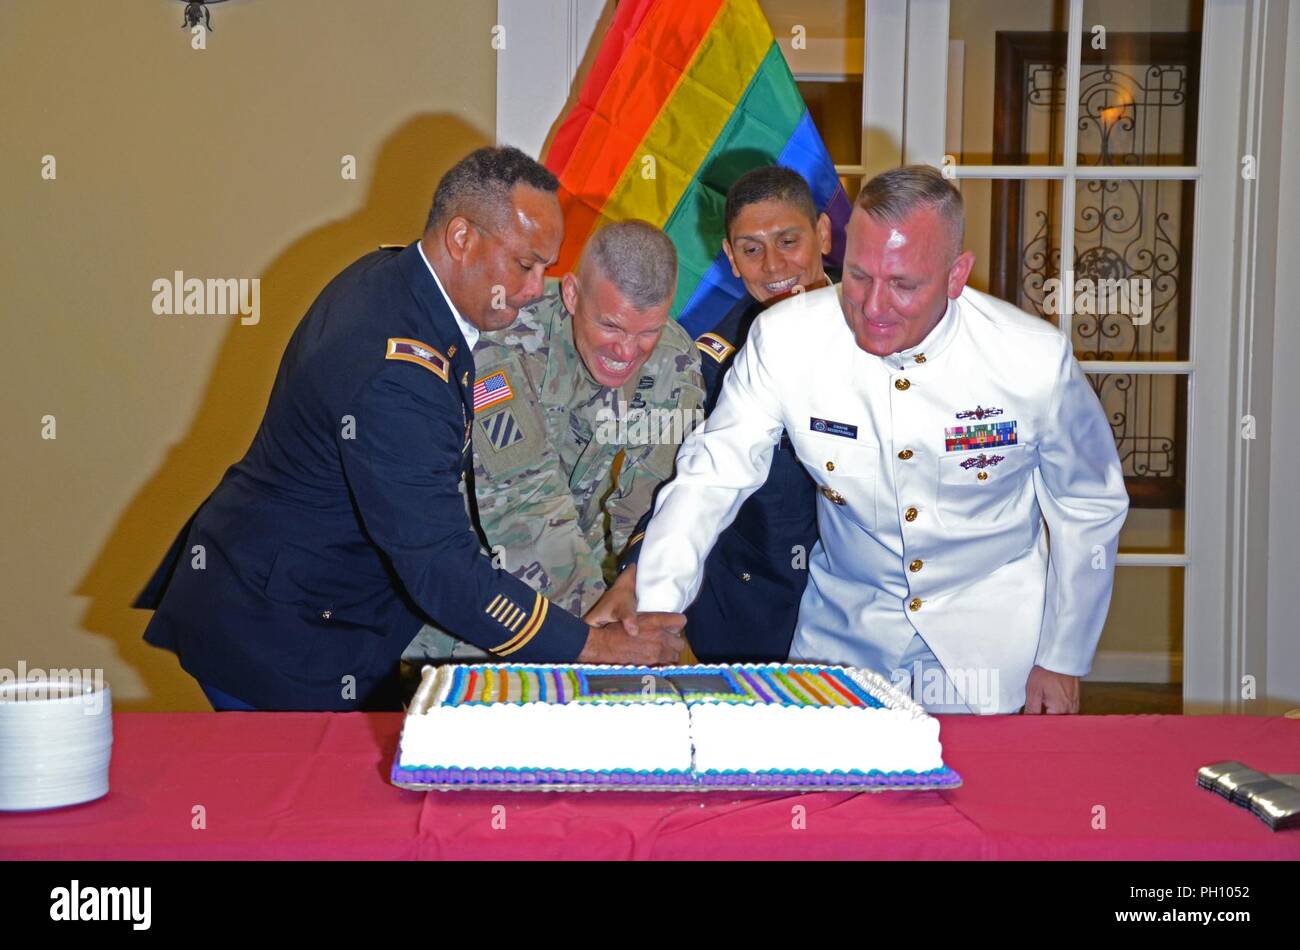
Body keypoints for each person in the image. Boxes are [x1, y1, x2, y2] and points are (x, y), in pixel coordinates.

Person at [135, 146, 685, 711]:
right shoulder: (399, 375)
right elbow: (443, 568)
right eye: (525, 265)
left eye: (547, 265)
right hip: (280, 634)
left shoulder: (400, 281)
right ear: (461, 238)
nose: (534, 290)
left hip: (311, 602)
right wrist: (591, 646)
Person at [634, 164, 1129, 715]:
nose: (872, 307)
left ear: (956, 275)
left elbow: (1087, 504)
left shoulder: (1031, 359)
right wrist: (659, 602)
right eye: (860, 276)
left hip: (993, 646)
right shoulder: (785, 338)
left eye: (903, 285)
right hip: (844, 637)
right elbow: (713, 474)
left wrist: (1064, 655)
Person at [402, 220, 704, 662]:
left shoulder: (673, 357)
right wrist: (600, 642)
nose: (628, 352)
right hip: (470, 609)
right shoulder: (503, 337)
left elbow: (656, 497)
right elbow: (522, 505)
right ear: (572, 294)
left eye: (647, 331)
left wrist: (635, 584)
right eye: (612, 327)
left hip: (590, 608)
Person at [615, 166, 832, 662]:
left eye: (788, 240)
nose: (773, 265)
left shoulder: (878, 329)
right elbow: (675, 475)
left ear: (823, 233)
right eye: (751, 249)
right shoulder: (709, 359)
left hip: (858, 603)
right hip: (745, 608)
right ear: (731, 259)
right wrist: (638, 574)